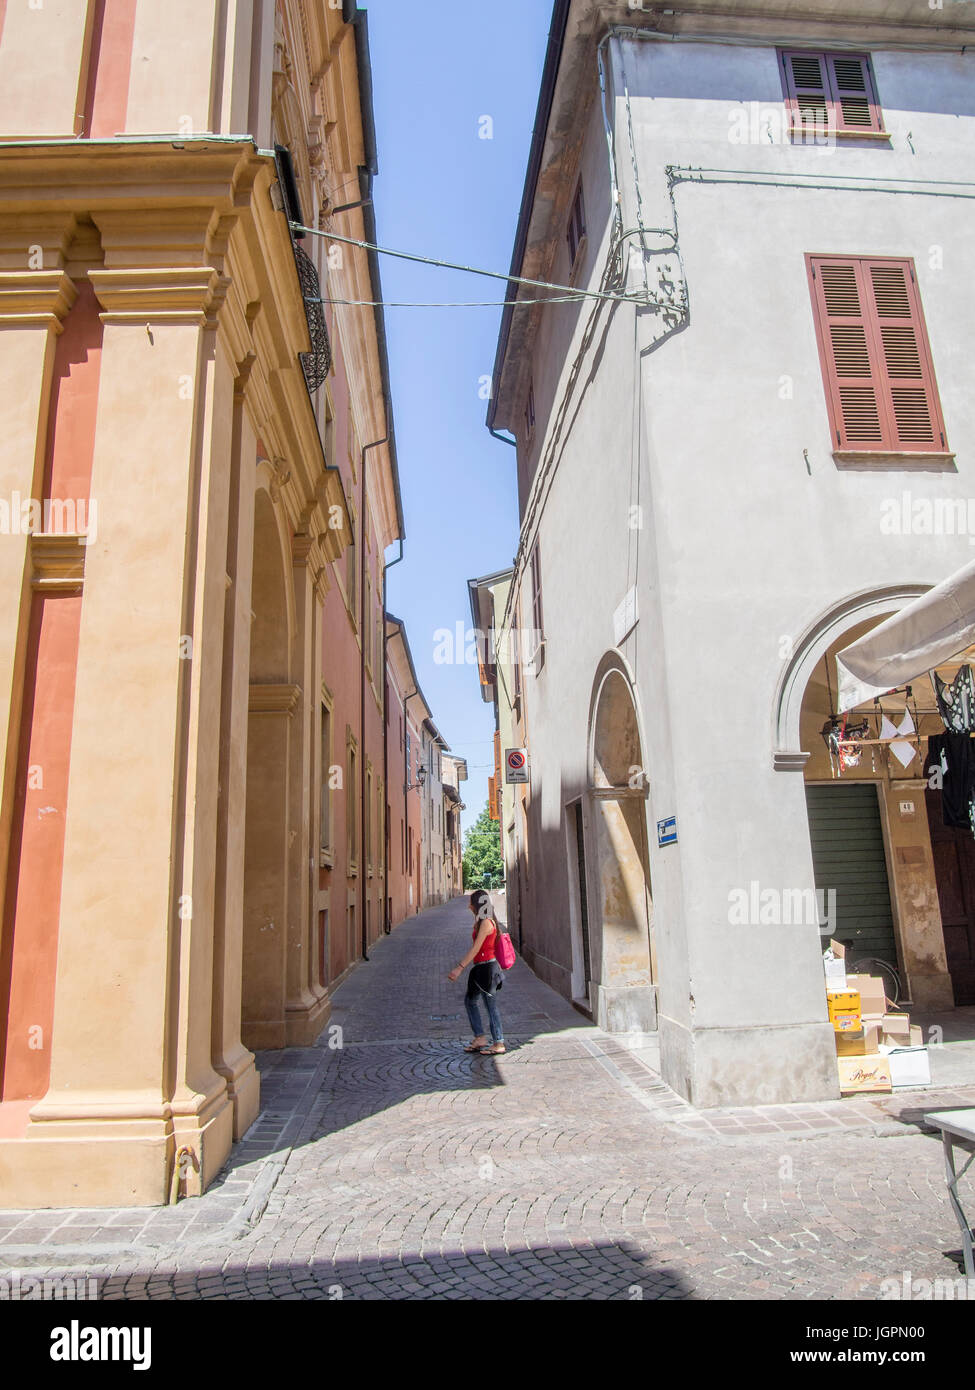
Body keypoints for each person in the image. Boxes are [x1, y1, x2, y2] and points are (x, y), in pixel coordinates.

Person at [448, 889, 505, 1055]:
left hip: (487, 969)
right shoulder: (482, 921)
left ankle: (499, 1042)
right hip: (480, 968)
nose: (468, 906)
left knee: (490, 1006)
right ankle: (480, 1037)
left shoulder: (487, 923)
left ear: (477, 904)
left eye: (471, 903)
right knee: (470, 1001)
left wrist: (459, 967)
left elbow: (475, 949)